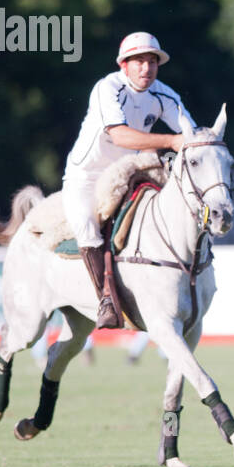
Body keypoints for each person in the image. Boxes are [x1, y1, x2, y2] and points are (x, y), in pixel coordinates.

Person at [62, 32, 195, 329]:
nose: (146, 68)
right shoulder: (107, 88)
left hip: (129, 171)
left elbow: (190, 134)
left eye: (152, 61)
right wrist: (172, 141)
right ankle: (107, 299)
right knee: (85, 225)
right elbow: (119, 135)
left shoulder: (165, 94)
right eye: (139, 61)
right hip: (87, 175)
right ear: (124, 64)